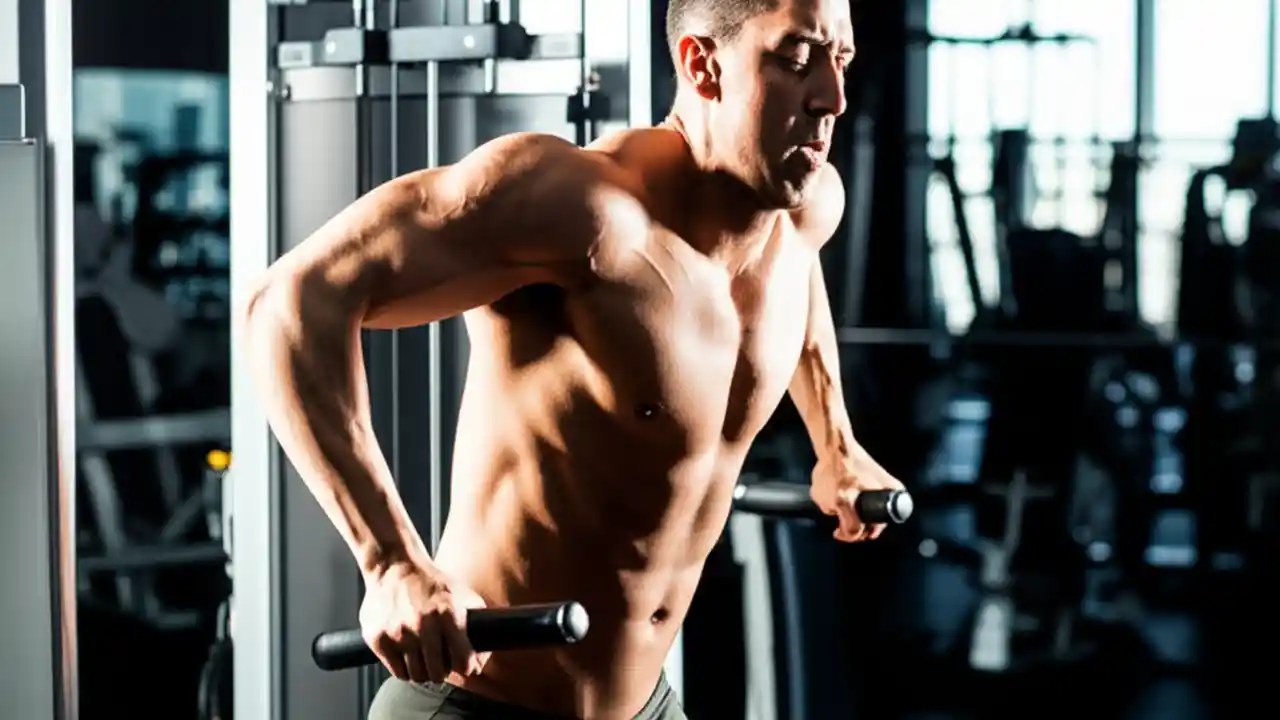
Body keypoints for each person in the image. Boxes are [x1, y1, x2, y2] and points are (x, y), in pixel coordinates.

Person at [240, 0, 905, 717]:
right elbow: (288, 303)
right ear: (701, 65)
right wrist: (391, 563)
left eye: (841, 61)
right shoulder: (585, 212)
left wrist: (836, 442)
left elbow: (798, 287)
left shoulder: (803, 208)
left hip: (646, 704)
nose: (832, 98)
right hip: (481, 704)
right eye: (797, 60)